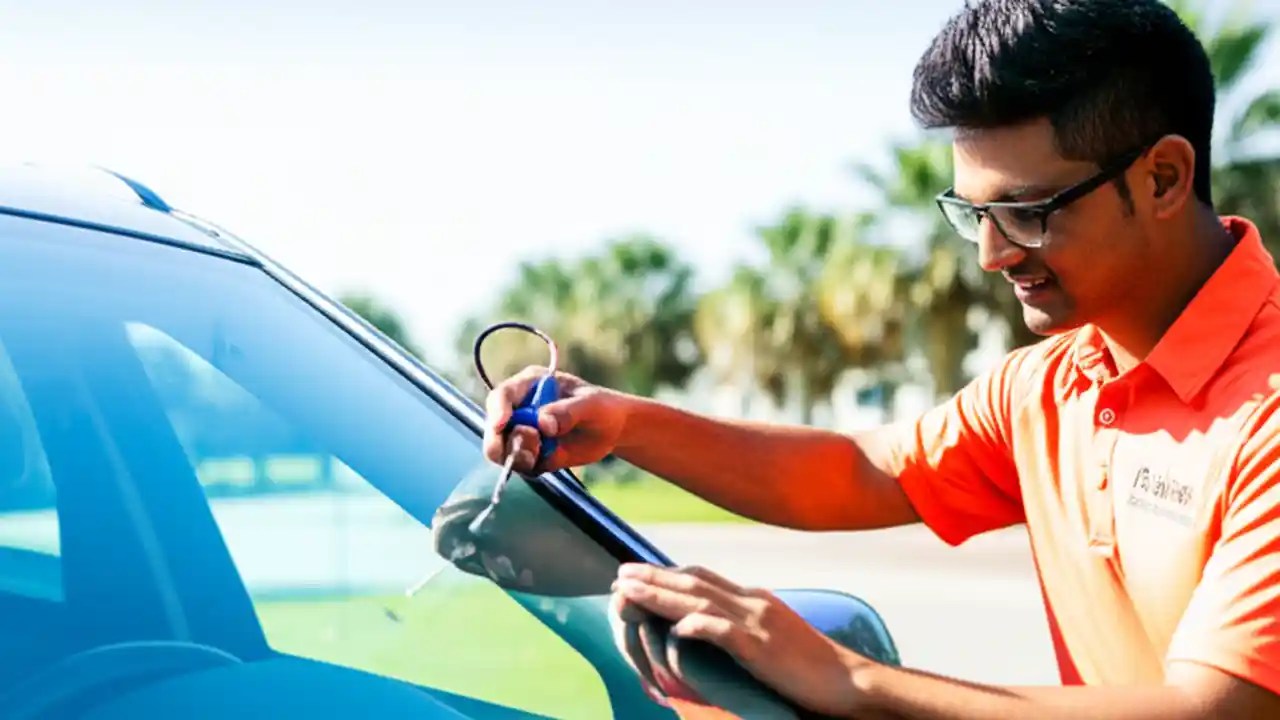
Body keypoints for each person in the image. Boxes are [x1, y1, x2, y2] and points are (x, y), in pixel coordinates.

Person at [481, 0, 1280, 717]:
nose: (992, 256)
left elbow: (1220, 709)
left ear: (1165, 176)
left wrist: (848, 680)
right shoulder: (1053, 380)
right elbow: (866, 471)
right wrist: (625, 422)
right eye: (974, 216)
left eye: (1027, 213)